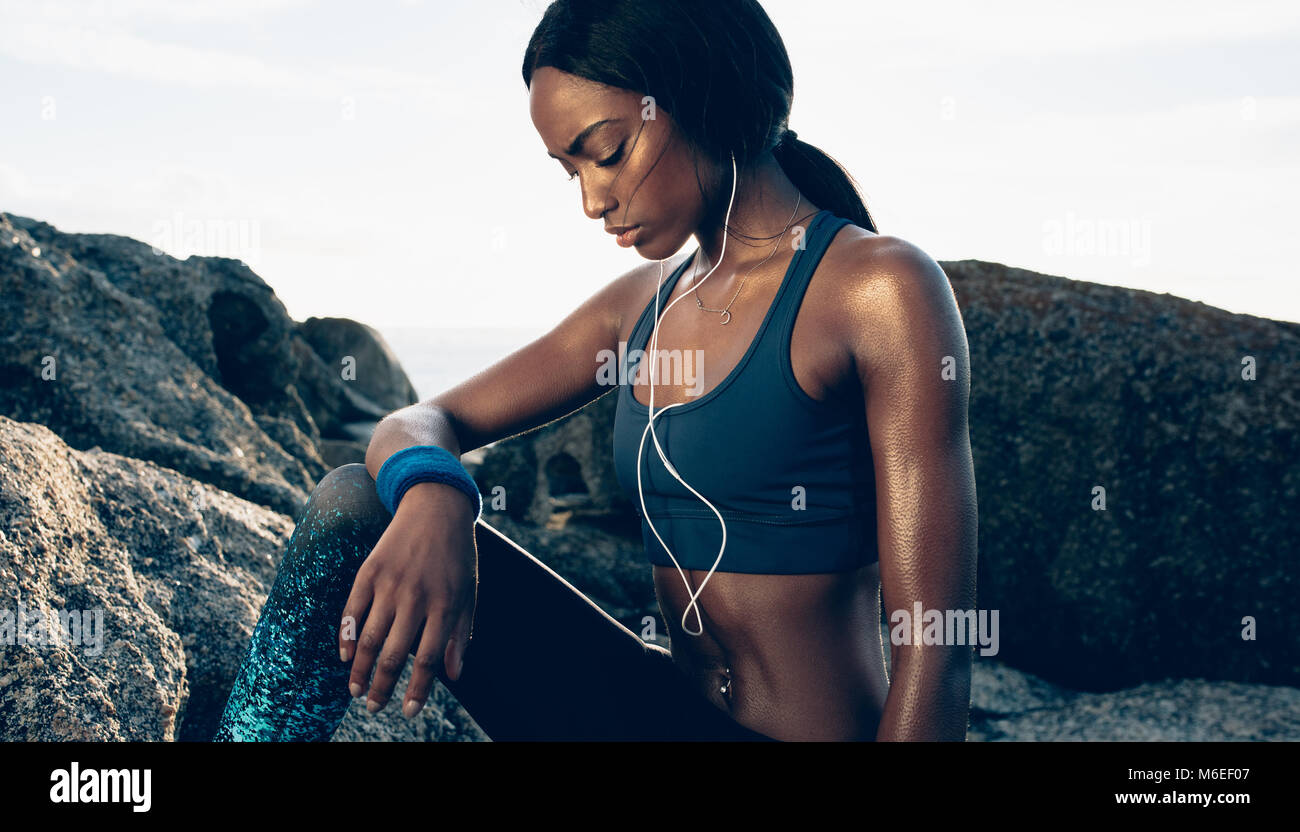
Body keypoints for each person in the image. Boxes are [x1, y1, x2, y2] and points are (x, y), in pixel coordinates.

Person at [213, 0, 977, 742]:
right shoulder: (638, 309)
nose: (591, 199)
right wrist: (437, 494)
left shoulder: (878, 289)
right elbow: (418, 423)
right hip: (657, 713)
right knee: (357, 501)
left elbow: (934, 651)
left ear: (700, 91)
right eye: (568, 168)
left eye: (607, 151)